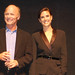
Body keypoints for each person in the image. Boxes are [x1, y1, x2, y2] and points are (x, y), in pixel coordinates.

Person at [29, 7, 67, 75]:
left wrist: (63, 71)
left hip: (57, 70)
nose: (45, 19)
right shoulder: (35, 36)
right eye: (42, 17)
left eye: (47, 16)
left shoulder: (61, 34)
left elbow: (63, 55)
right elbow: (33, 58)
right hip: (40, 70)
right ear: (39, 20)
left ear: (51, 17)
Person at [0, 4, 33, 75]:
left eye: (12, 14)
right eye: (6, 14)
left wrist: (17, 62)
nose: (8, 16)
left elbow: (29, 56)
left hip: (19, 72)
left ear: (18, 17)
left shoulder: (26, 36)